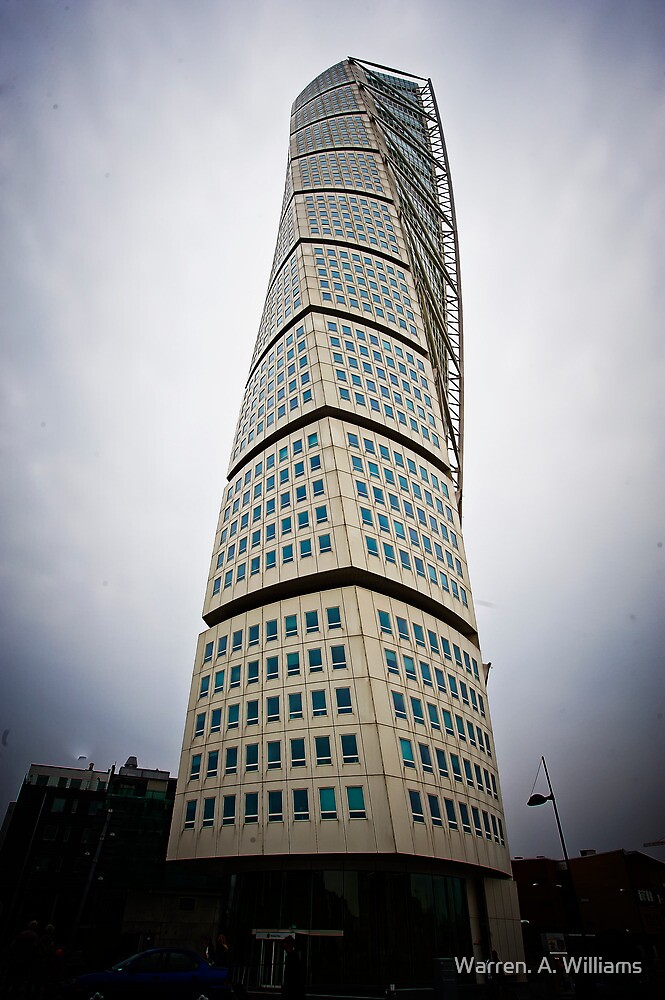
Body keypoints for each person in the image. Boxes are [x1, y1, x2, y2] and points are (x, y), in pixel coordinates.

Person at [5, 920, 40, 998]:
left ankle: (5, 992)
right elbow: (34, 950)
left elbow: (13, 946)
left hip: (15, 959)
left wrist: (10, 956)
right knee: (18, 980)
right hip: (24, 961)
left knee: (9, 978)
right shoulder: (35, 937)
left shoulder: (22, 934)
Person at [281, 936, 305, 1000]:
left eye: (286, 947)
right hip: (294, 989)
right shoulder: (294, 956)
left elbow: (290, 975)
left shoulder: (291, 957)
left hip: (292, 989)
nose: (285, 950)